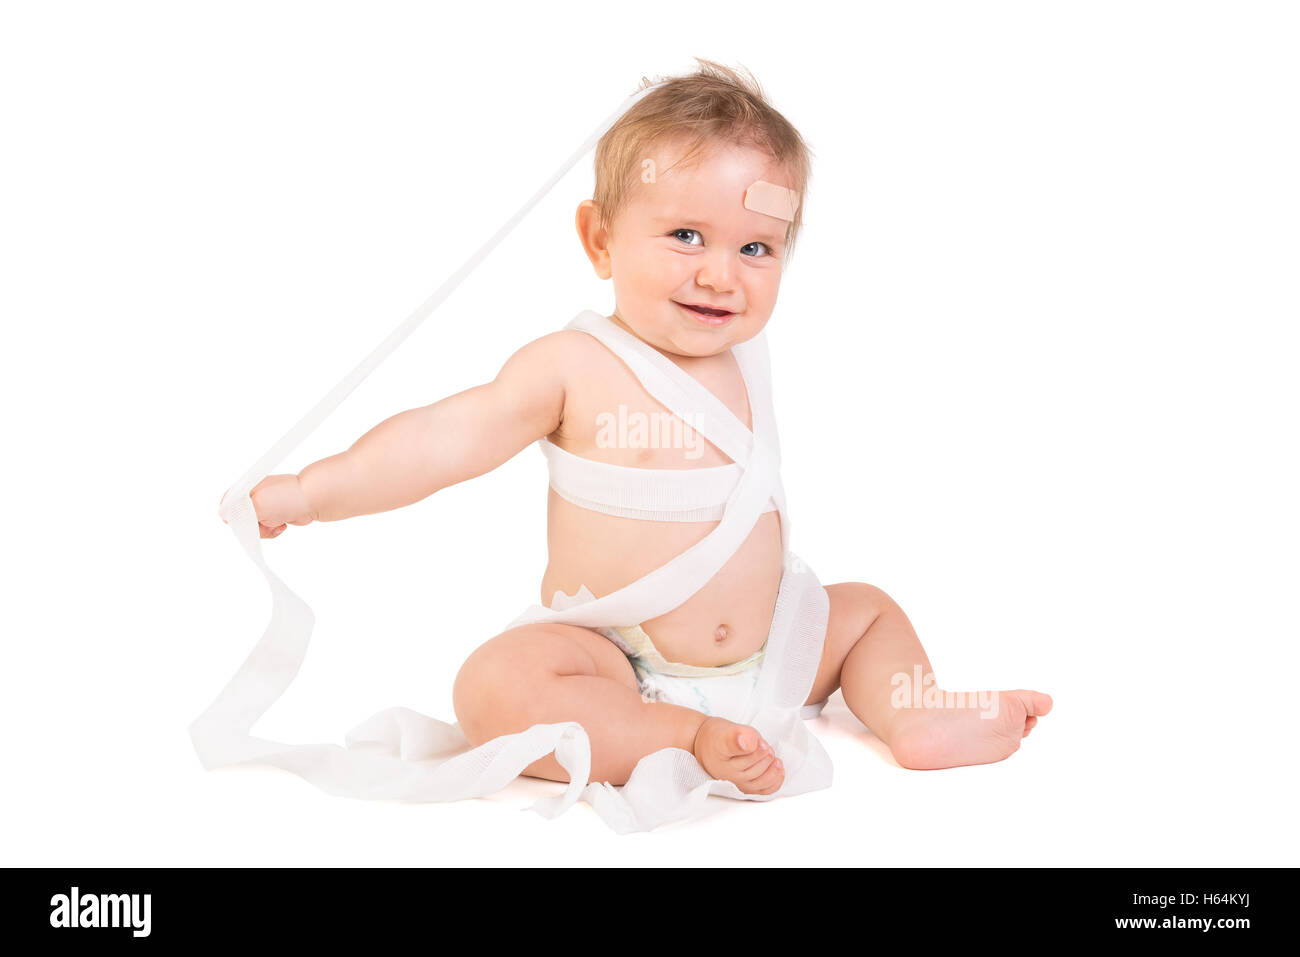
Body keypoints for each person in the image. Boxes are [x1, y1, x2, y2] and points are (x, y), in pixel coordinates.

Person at [244, 58, 1052, 799]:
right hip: (615, 661)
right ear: (600, 238)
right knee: (495, 683)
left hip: (774, 649)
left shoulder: (749, 356)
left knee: (869, 609)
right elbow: (443, 439)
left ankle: (916, 714)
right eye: (686, 235)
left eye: (757, 246)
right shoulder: (572, 363)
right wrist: (312, 491)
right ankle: (684, 737)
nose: (719, 273)